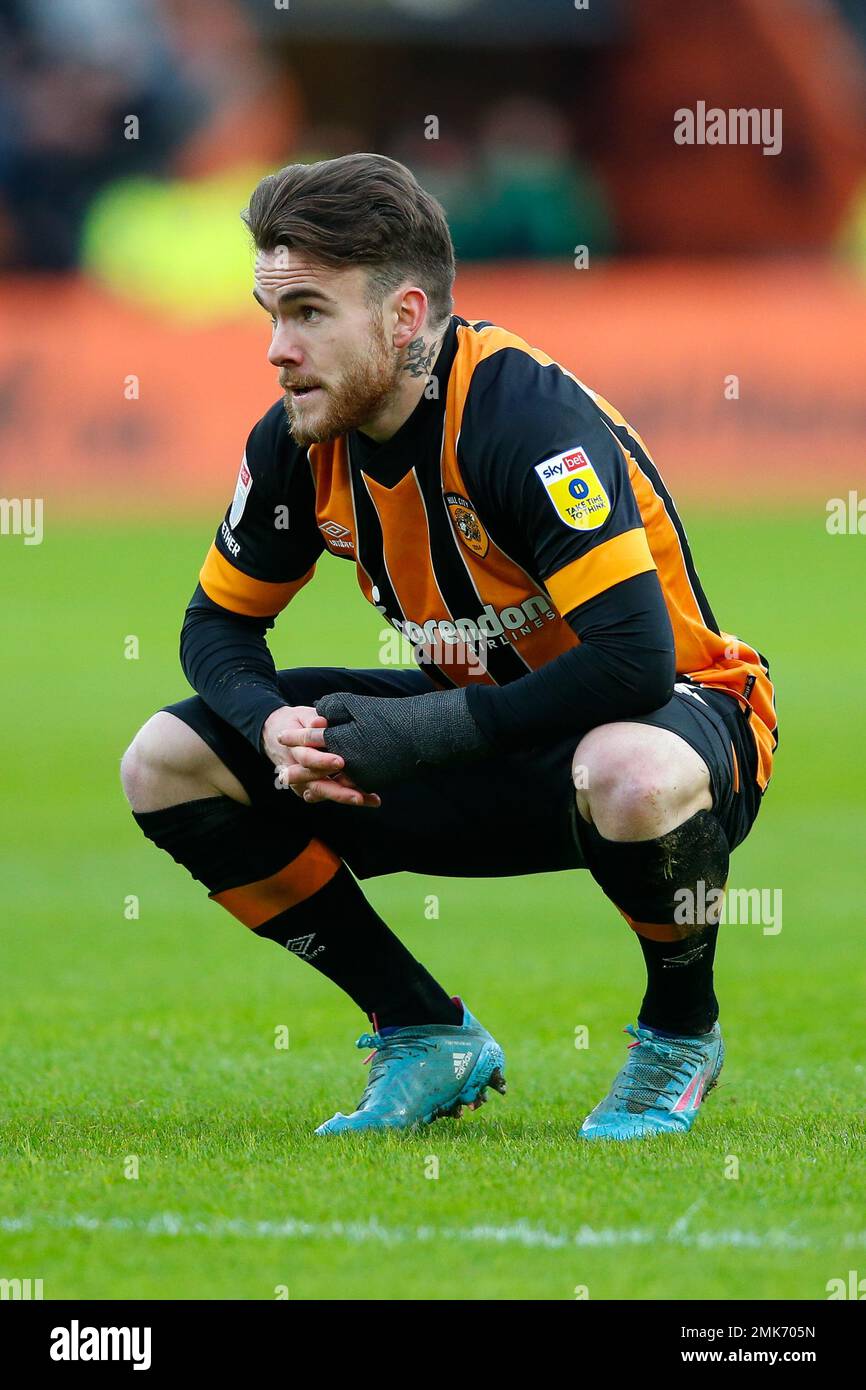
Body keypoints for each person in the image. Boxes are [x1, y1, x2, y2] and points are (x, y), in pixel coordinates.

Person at [120, 153, 777, 1140]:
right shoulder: (300, 439)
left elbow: (631, 662)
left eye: (307, 313)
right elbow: (216, 624)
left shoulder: (522, 422)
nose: (275, 349)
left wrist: (416, 732)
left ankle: (678, 1034)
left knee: (630, 769)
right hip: (487, 735)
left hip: (675, 723)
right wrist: (269, 726)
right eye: (270, 314)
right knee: (165, 761)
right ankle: (422, 1031)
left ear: (402, 316)